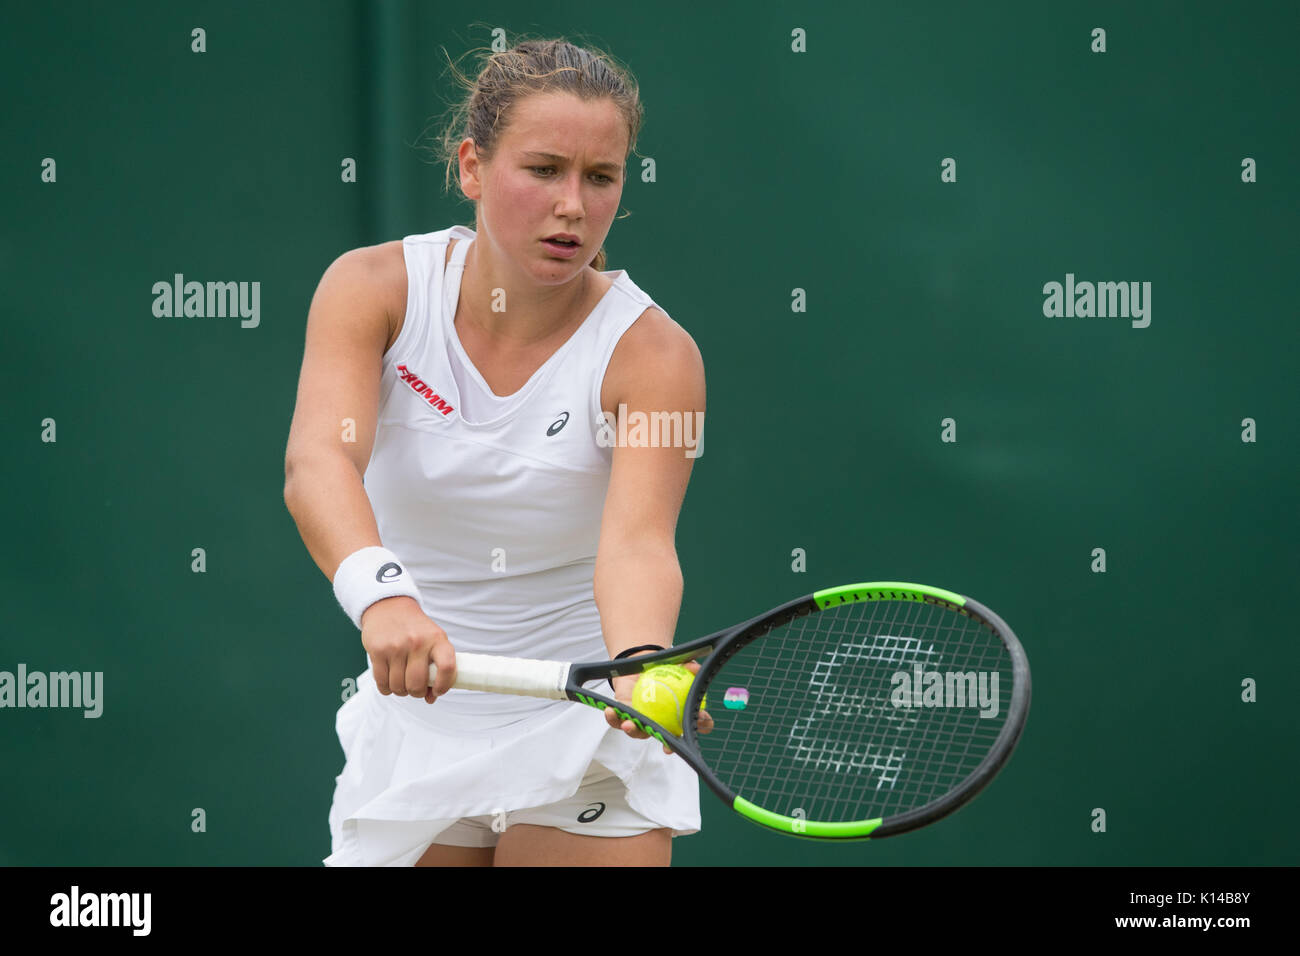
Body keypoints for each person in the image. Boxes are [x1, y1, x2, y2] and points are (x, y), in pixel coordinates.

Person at [283, 38, 706, 866]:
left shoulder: (657, 357)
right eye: (543, 170)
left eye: (600, 177)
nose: (573, 207)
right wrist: (385, 602)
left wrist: (639, 665)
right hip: (417, 725)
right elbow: (317, 465)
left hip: (580, 723)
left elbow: (638, 542)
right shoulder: (371, 291)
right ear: (473, 168)